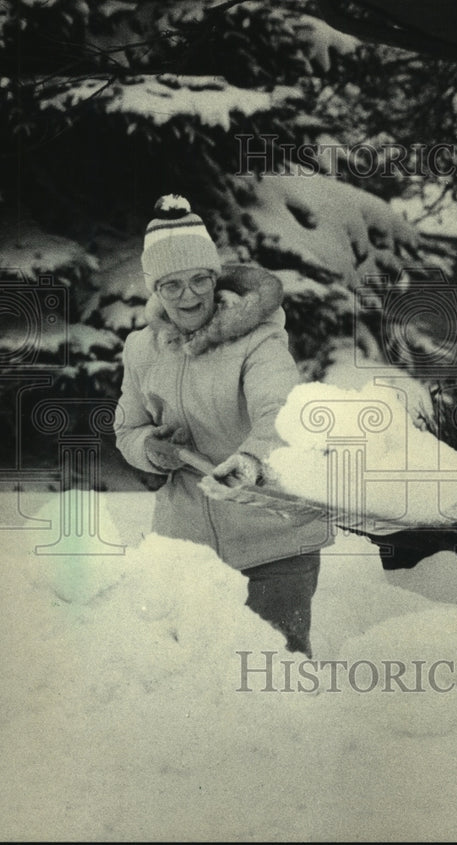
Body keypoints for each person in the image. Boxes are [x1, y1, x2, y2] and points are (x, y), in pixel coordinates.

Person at [114, 194, 331, 657]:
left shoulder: (258, 339)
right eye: (172, 285)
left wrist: (250, 461)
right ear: (155, 290)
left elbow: (282, 412)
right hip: (187, 548)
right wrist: (152, 449)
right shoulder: (141, 349)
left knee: (276, 674)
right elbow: (127, 430)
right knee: (194, 678)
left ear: (215, 278)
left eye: (199, 279)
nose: (188, 296)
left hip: (273, 539)